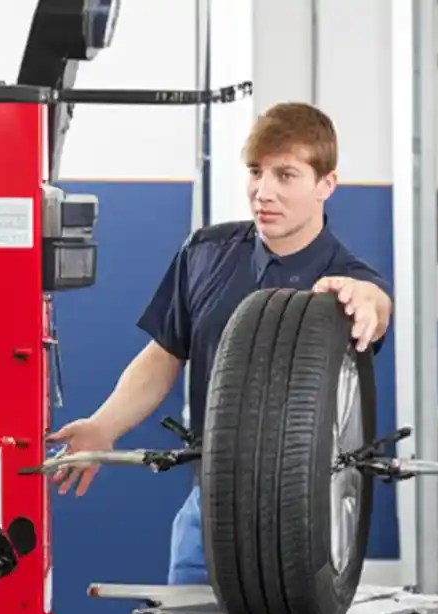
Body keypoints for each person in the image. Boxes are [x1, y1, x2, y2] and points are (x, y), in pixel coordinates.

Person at [46, 102, 393, 585]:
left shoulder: (347, 282)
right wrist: (104, 426)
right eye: (256, 172)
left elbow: (375, 310)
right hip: (208, 507)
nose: (263, 191)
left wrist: (371, 304)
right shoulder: (205, 254)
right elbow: (165, 355)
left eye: (286, 175)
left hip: (300, 517)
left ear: (325, 185)